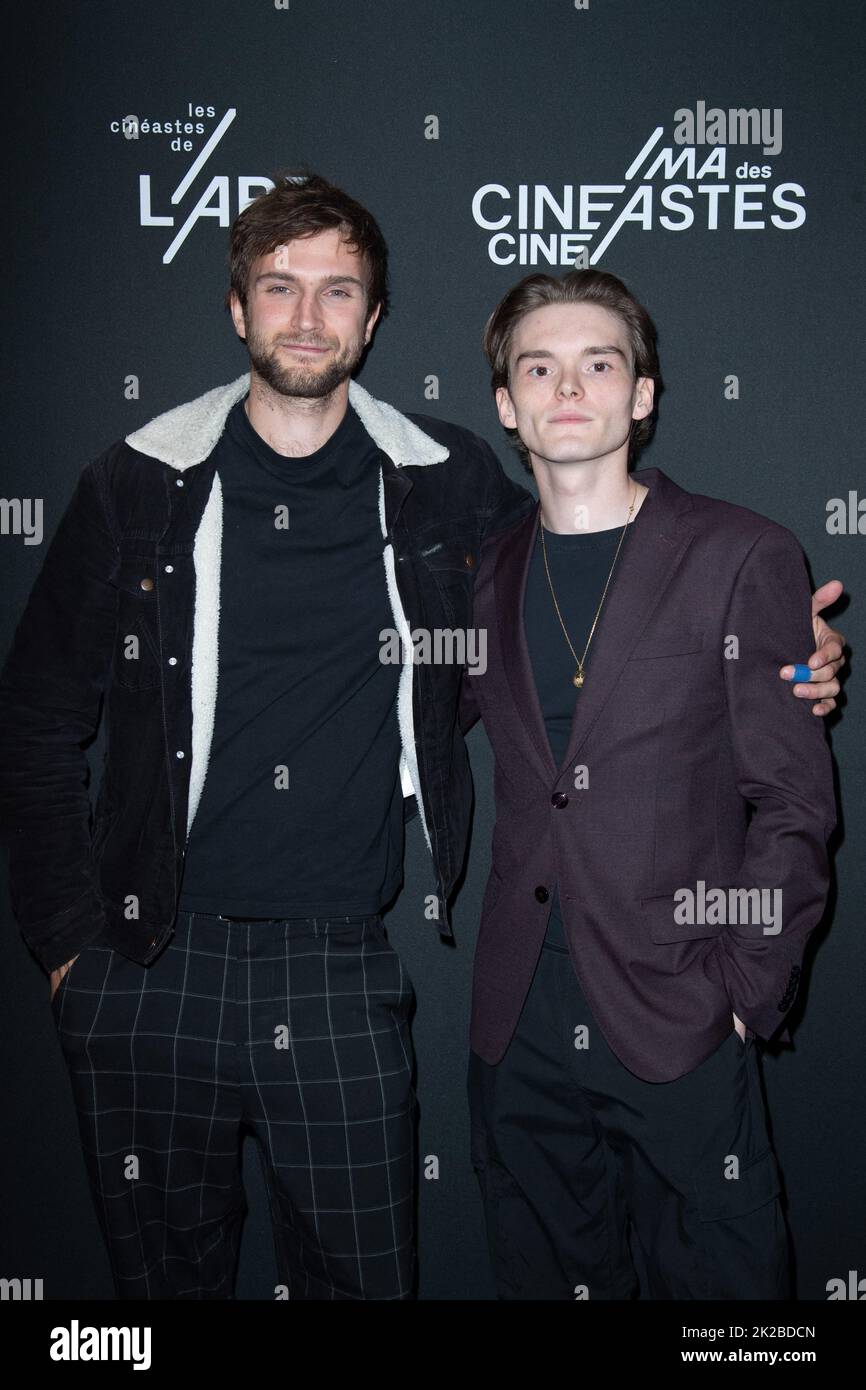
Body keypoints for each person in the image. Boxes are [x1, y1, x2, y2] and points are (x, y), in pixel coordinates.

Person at [0, 178, 844, 1302]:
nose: (308, 316)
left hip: (347, 968)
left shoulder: (444, 493)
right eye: (279, 288)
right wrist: (70, 955)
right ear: (236, 309)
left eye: (336, 290)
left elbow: (632, 603)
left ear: (373, 316)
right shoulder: (138, 483)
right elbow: (35, 722)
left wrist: (796, 667)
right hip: (153, 962)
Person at [461, 267, 842, 1300]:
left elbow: (793, 801)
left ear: (642, 393)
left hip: (676, 1007)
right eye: (538, 367)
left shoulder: (740, 553)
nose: (567, 385)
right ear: (506, 405)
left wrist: (740, 989)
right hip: (517, 1026)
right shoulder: (480, 575)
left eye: (599, 362)